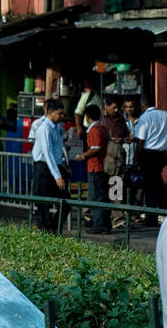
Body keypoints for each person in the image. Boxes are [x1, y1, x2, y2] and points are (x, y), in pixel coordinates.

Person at [125, 95, 167, 229]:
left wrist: (137, 159)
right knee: (157, 183)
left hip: (148, 154)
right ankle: (159, 212)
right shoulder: (165, 115)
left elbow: (140, 141)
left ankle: (152, 217)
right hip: (161, 154)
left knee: (150, 187)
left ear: (142, 106)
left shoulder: (145, 118)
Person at [30, 98, 69, 233]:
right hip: (43, 168)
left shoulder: (57, 127)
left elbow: (57, 149)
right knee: (43, 204)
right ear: (50, 113)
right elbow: (48, 154)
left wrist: (63, 165)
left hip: (55, 166)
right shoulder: (44, 129)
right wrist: (57, 176)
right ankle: (45, 232)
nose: (61, 116)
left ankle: (52, 228)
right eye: (59, 114)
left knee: (66, 202)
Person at [77, 104, 110, 233]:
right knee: (101, 196)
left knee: (96, 196)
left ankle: (99, 225)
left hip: (95, 167)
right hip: (101, 166)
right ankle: (103, 224)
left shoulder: (94, 130)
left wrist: (83, 155)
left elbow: (95, 148)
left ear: (87, 117)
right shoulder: (102, 128)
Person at [103, 98, 128, 230]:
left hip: (118, 154)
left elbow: (126, 134)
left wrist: (124, 139)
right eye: (113, 107)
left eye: (118, 108)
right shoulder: (101, 118)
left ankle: (117, 219)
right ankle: (97, 217)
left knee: (116, 186)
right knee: (101, 188)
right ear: (106, 106)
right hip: (105, 154)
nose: (116, 110)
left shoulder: (121, 119)